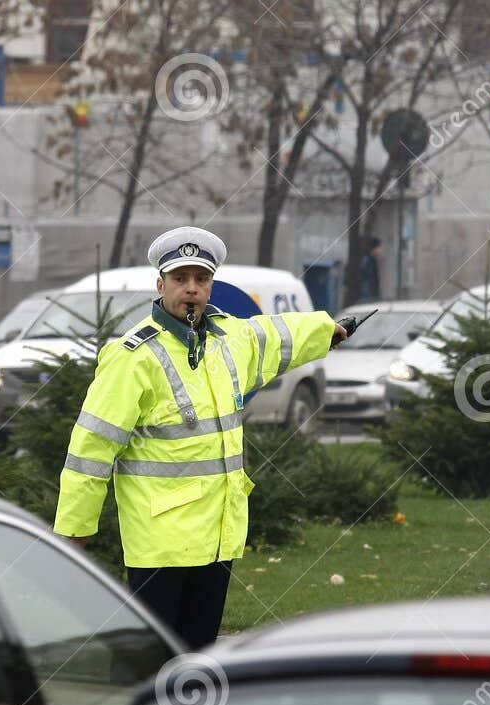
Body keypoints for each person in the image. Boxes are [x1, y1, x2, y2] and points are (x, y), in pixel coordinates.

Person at [54, 226, 348, 649]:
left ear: (211, 285)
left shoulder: (231, 340)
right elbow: (91, 448)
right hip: (161, 545)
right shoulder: (133, 358)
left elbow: (279, 336)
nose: (191, 289)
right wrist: (75, 531)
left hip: (217, 536)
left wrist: (327, 331)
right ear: (161, 285)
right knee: (156, 657)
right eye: (180, 279)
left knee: (199, 656)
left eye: (201, 280)